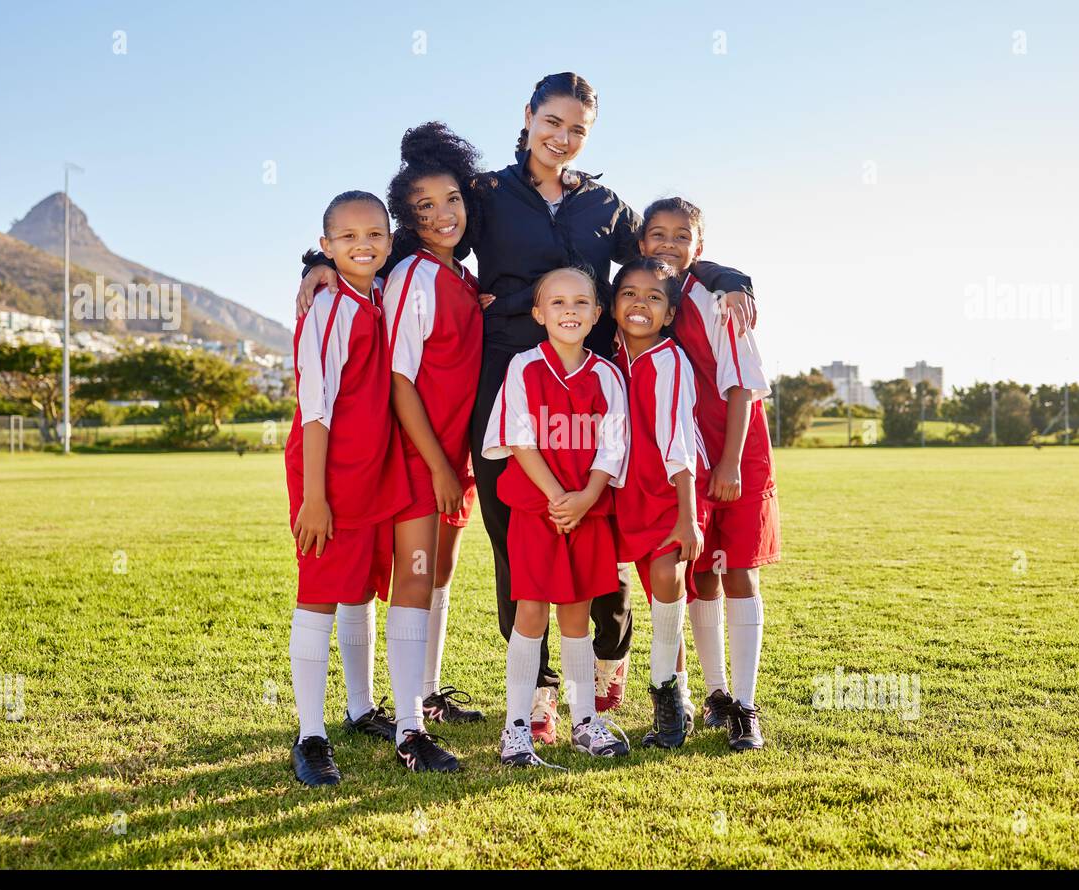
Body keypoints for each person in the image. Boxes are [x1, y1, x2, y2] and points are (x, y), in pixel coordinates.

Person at [298, 73, 758, 743]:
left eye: (577, 128)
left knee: (599, 529)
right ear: (529, 116)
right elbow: (414, 235)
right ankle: (538, 693)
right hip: (507, 381)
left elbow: (659, 264)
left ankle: (606, 663)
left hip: (595, 387)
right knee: (519, 540)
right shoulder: (486, 193)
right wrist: (317, 262)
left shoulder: (606, 203)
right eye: (552, 121)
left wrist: (728, 277)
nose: (561, 137)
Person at [638, 197, 778, 751]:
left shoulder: (720, 301)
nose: (668, 244)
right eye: (657, 234)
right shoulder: (642, 300)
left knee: (738, 570)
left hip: (734, 455)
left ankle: (744, 706)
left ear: (699, 247)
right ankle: (714, 694)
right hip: (684, 461)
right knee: (700, 574)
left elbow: (743, 384)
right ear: (641, 242)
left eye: (680, 235)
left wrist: (728, 462)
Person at [481, 267, 631, 766]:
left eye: (581, 302)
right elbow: (519, 439)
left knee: (576, 617)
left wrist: (586, 497)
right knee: (530, 614)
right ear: (538, 313)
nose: (570, 310)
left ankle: (584, 719)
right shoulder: (524, 366)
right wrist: (556, 498)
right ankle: (516, 726)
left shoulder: (606, 374)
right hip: (535, 512)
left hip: (587, 511)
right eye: (558, 303)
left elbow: (613, 447)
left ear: (596, 314)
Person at [286, 191, 409, 786]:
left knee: (360, 587)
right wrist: (315, 496)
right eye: (349, 237)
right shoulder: (330, 304)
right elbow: (315, 409)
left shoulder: (379, 293)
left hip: (371, 469)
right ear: (328, 244)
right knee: (321, 591)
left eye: (376, 234)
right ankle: (310, 734)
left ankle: (360, 707)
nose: (364, 245)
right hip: (327, 474)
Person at [380, 125, 487, 762]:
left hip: (457, 454)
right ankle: (408, 731)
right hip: (421, 454)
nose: (443, 215)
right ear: (408, 219)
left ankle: (426, 692)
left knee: (440, 570)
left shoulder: (461, 275)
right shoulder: (412, 275)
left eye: (451, 200)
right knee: (414, 578)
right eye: (425, 208)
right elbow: (399, 379)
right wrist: (438, 464)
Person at [610, 257, 705, 749]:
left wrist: (688, 517)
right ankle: (679, 697)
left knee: (667, 588)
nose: (640, 304)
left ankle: (668, 699)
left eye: (653, 297)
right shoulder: (611, 355)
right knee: (651, 592)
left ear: (669, 314)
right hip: (626, 493)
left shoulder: (668, 360)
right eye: (629, 293)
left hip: (671, 493)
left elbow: (678, 443)